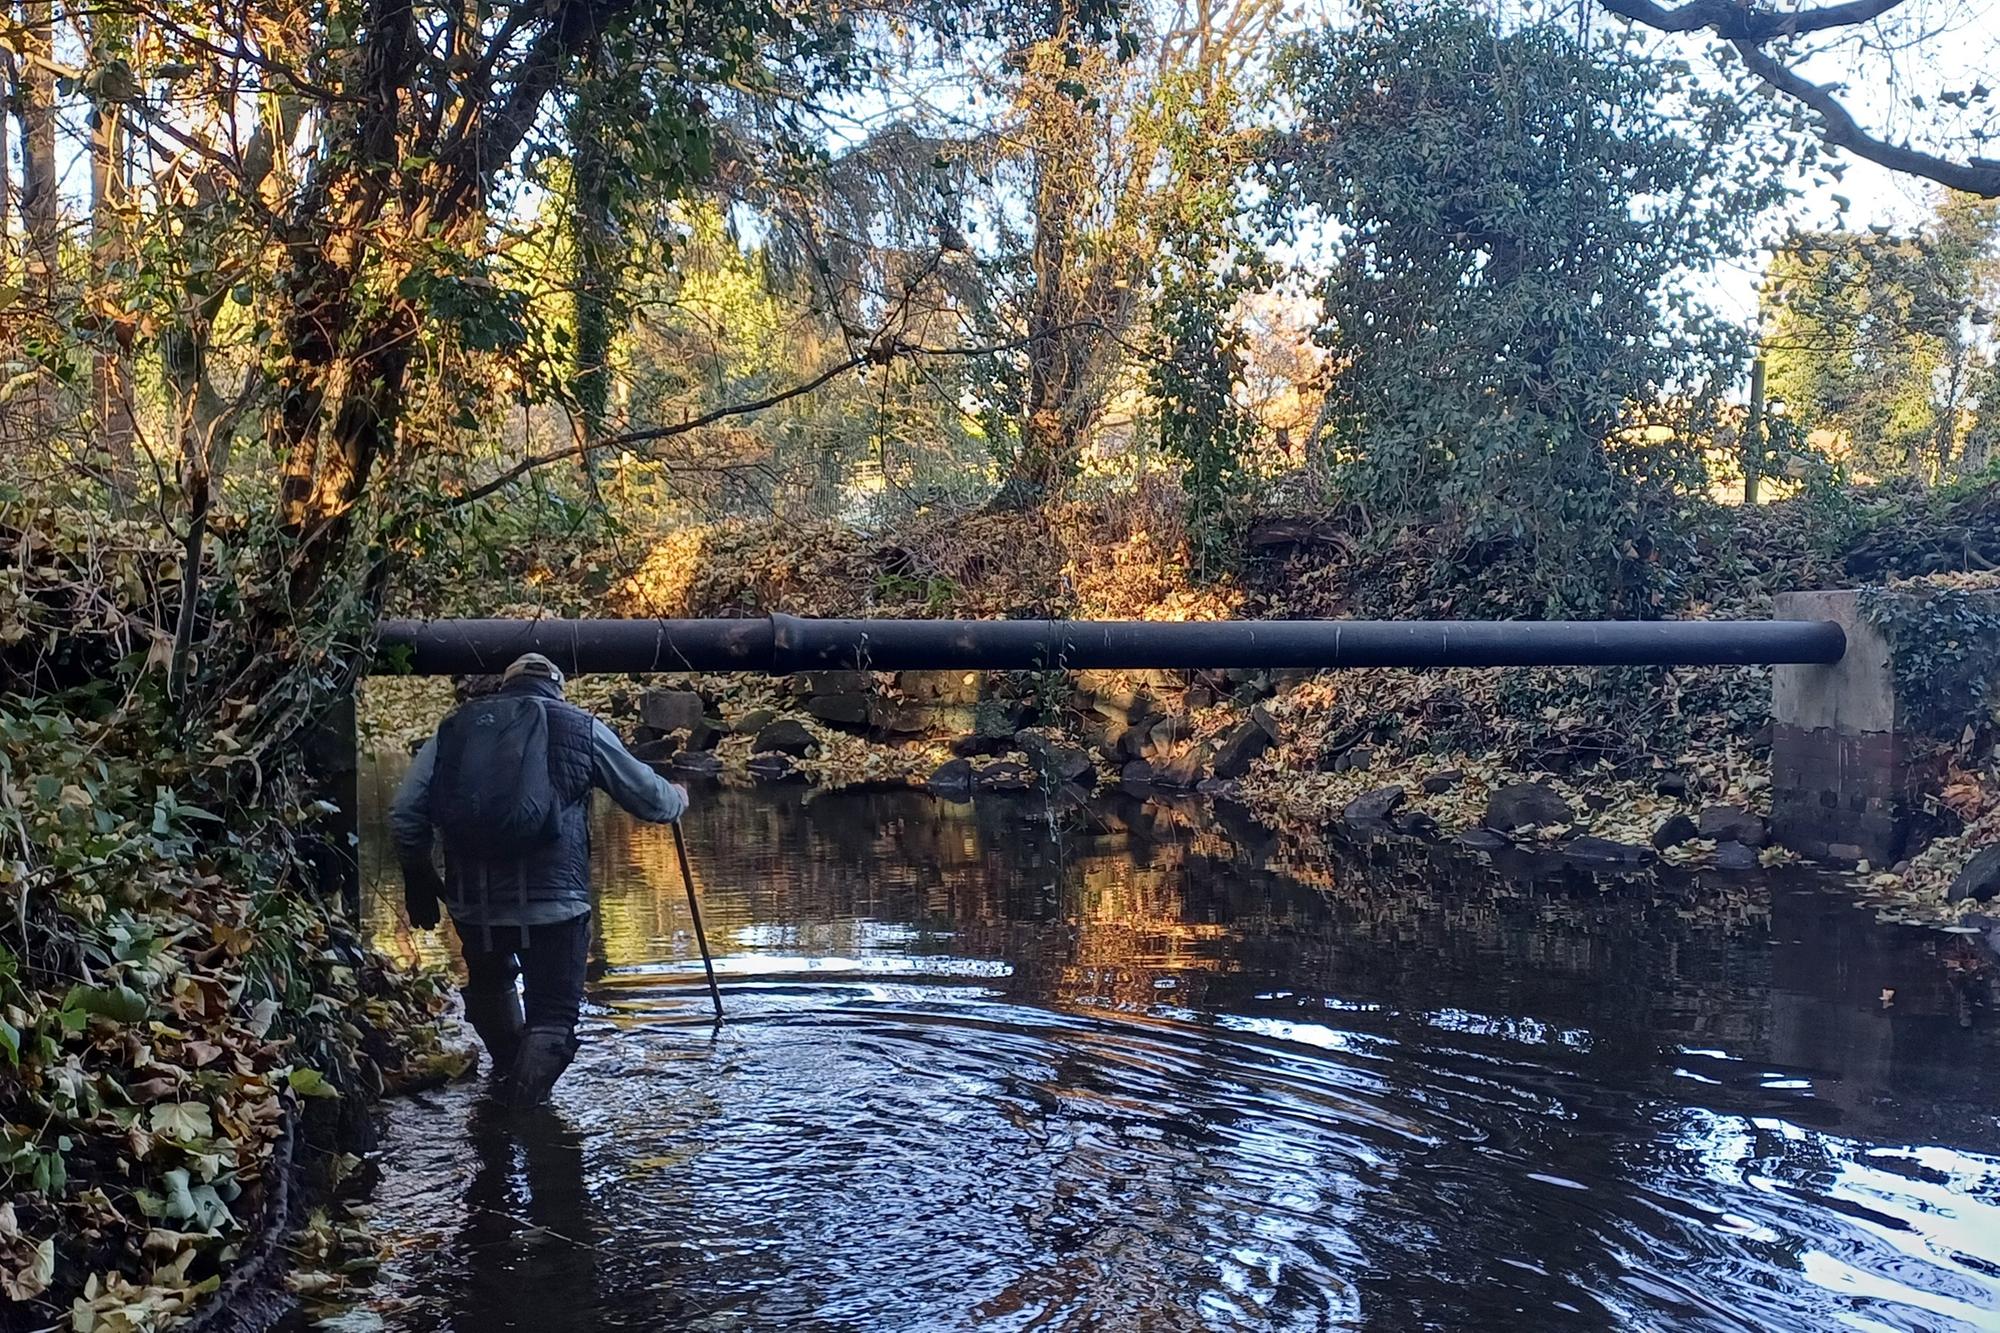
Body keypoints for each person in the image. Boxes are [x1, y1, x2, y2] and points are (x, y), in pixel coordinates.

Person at [391, 652, 688, 1107]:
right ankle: (523, 1112)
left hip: (475, 905)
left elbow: (406, 812)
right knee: (552, 1017)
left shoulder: (456, 729)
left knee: (491, 986)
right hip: (557, 906)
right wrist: (679, 797)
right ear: (557, 687)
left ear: (504, 686)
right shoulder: (580, 727)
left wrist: (419, 875)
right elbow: (653, 802)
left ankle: (506, 1084)